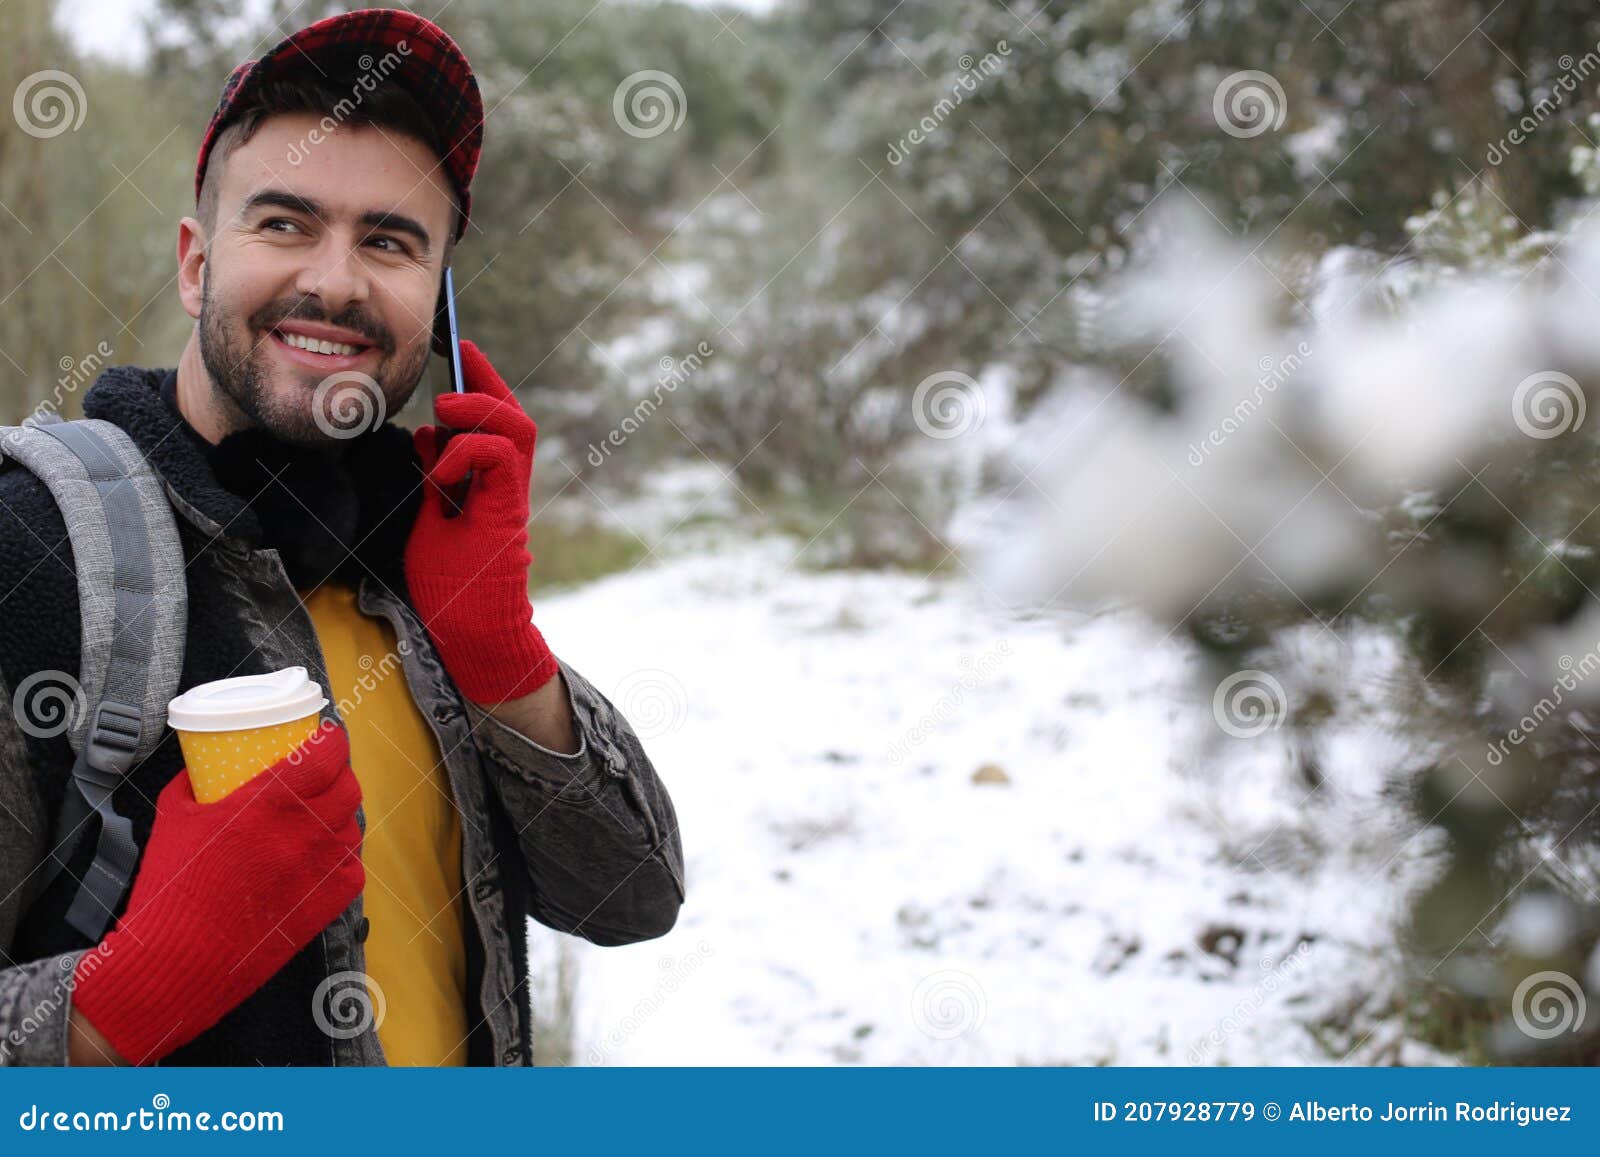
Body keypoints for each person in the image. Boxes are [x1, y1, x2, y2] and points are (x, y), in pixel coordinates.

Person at [0, 8, 684, 1067]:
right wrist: (114, 1001)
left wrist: (500, 654)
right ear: (194, 264)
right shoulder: (31, 550)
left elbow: (632, 894)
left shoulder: (413, 561)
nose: (336, 280)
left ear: (440, 299)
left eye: (390, 240)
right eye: (283, 223)